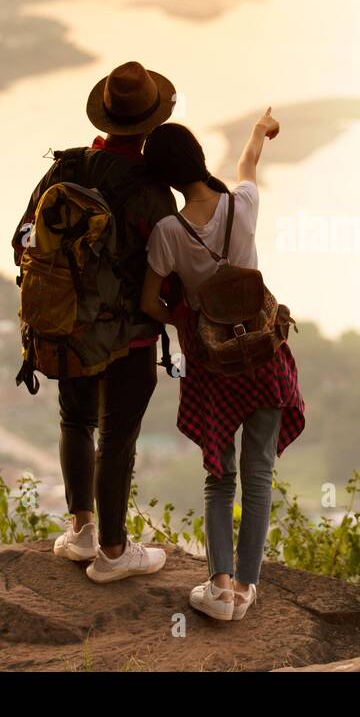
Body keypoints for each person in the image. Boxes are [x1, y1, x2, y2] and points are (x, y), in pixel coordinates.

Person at [11, 61, 177, 584]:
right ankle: (112, 552)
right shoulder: (152, 191)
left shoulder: (66, 169)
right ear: (149, 126)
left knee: (74, 421)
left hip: (67, 329)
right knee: (118, 438)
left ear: (106, 118)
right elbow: (165, 273)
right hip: (128, 338)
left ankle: (81, 531)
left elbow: (21, 240)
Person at [139, 111, 306, 622]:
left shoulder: (169, 231)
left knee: (220, 475)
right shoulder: (242, 206)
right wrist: (260, 130)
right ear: (198, 157)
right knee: (260, 474)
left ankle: (219, 585)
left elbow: (149, 304)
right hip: (261, 356)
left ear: (165, 177)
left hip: (213, 366)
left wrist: (186, 321)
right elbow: (249, 162)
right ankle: (248, 588)